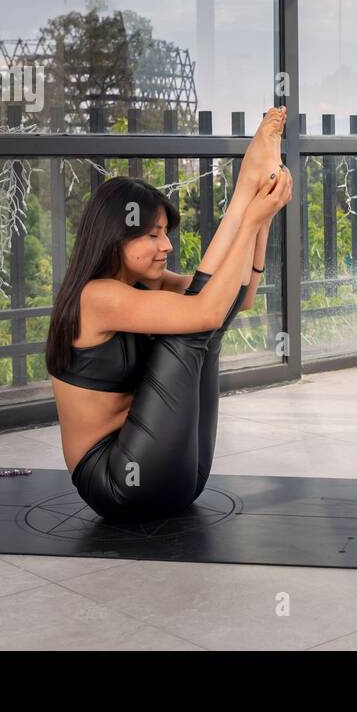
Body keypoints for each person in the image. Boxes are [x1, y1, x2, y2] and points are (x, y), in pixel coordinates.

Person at [44, 107, 292, 520]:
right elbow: (206, 311)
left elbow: (238, 298)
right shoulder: (96, 297)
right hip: (118, 480)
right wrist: (246, 218)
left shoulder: (140, 286)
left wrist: (262, 220)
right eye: (153, 234)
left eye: (166, 234)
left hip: (179, 473)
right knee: (194, 322)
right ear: (115, 236)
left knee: (203, 319)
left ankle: (248, 186)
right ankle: (245, 186)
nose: (167, 246)